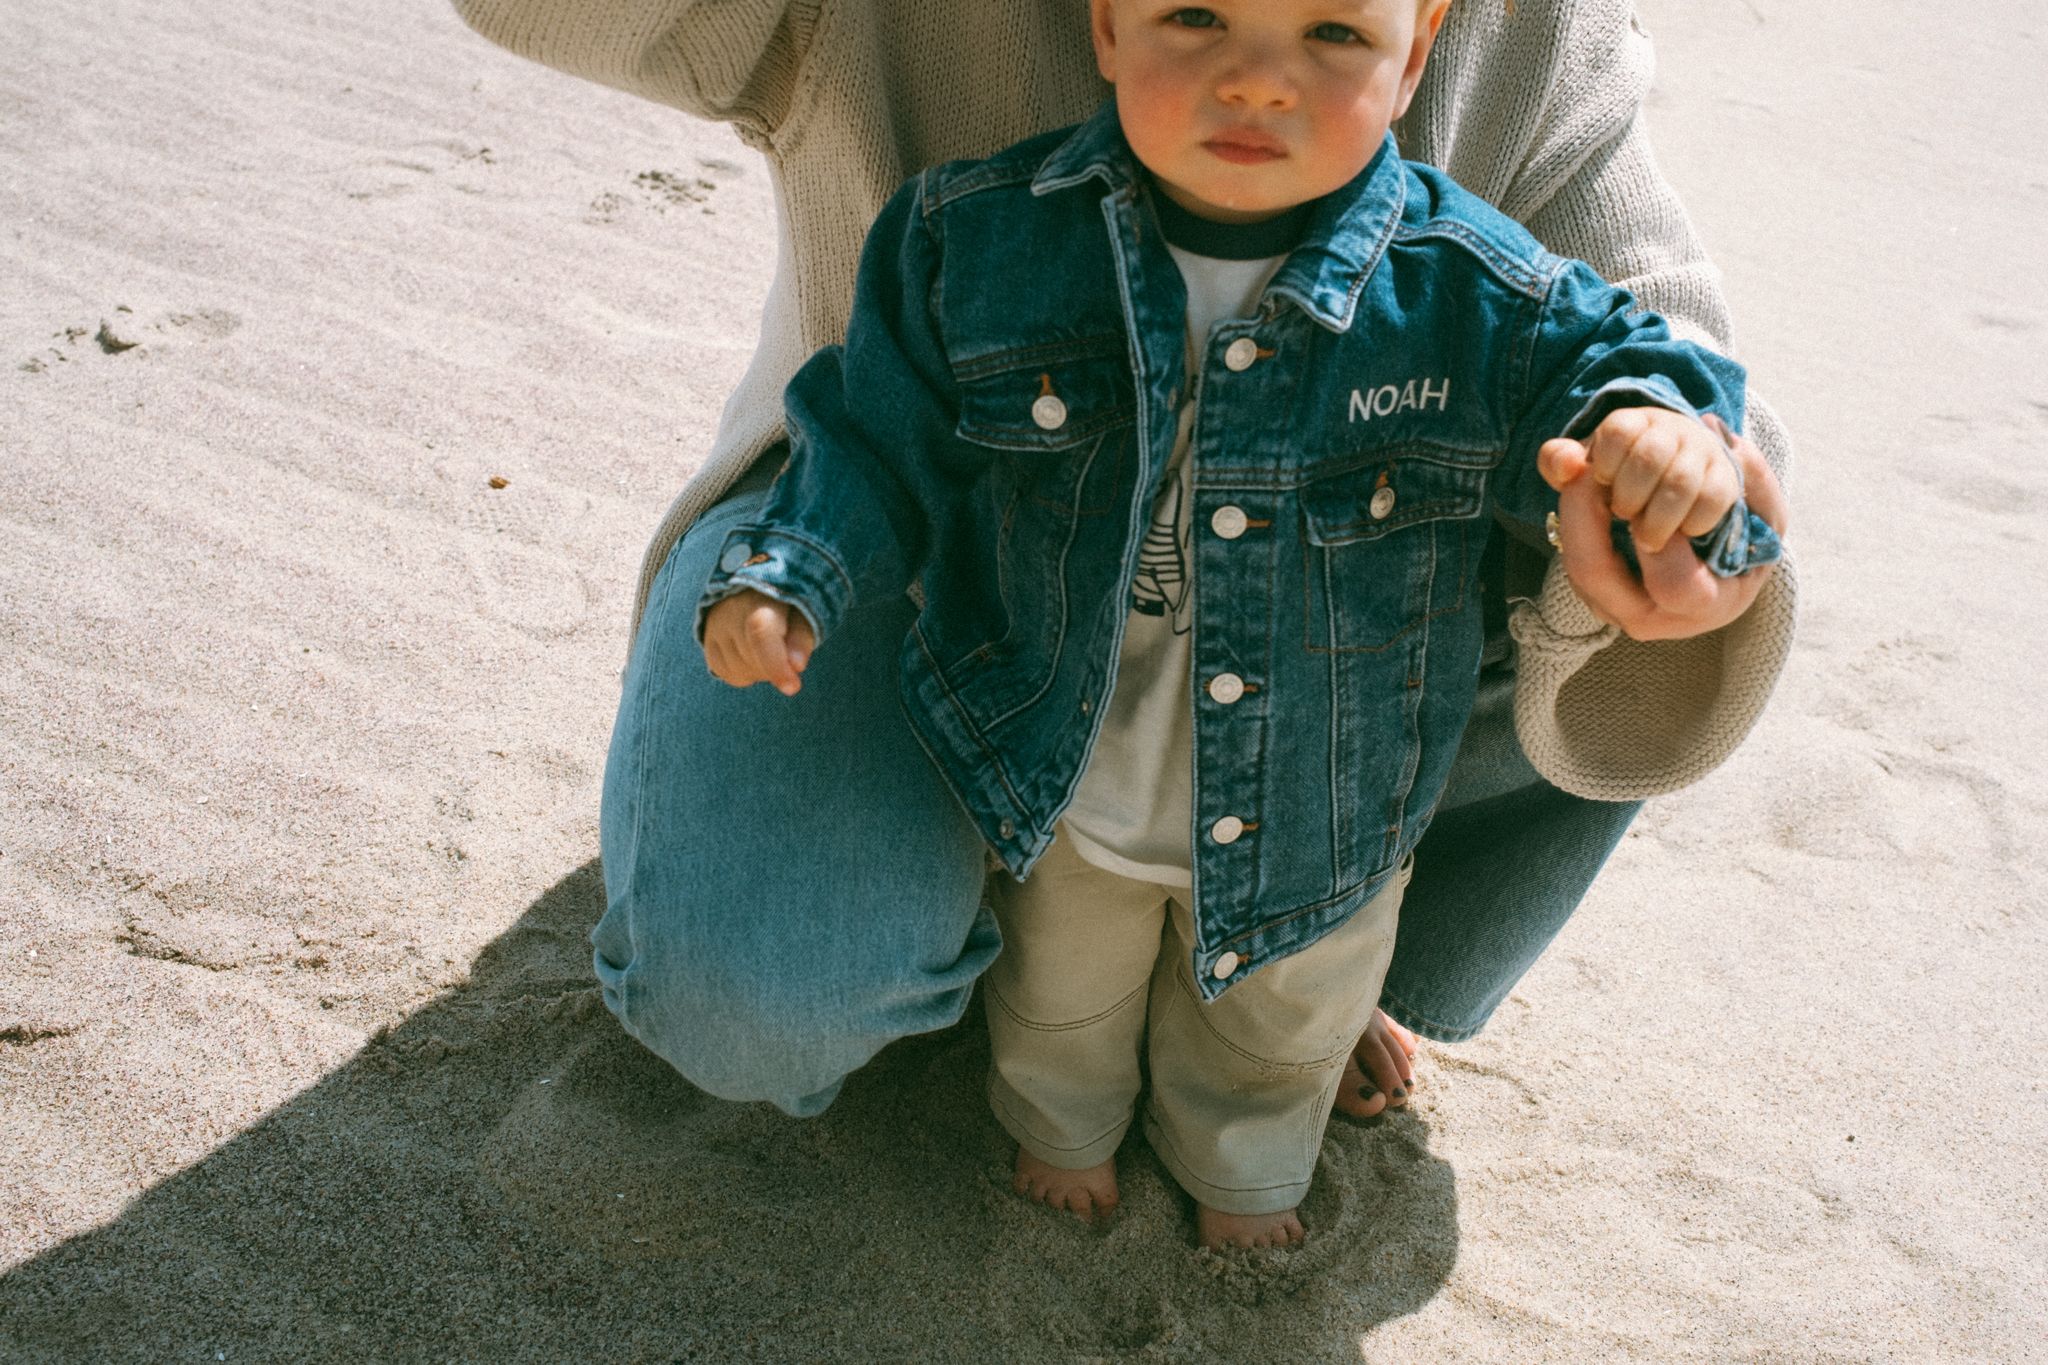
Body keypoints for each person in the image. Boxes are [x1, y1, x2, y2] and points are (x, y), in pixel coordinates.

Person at [449, 0, 1794, 1137]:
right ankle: (1006, 913)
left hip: (1348, 578)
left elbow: (1663, 333)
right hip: (896, 519)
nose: (1260, 74)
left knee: (1699, 550)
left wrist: (1680, 493)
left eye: (1331, 28)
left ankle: (1302, 937)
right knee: (760, 989)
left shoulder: (1516, 27)